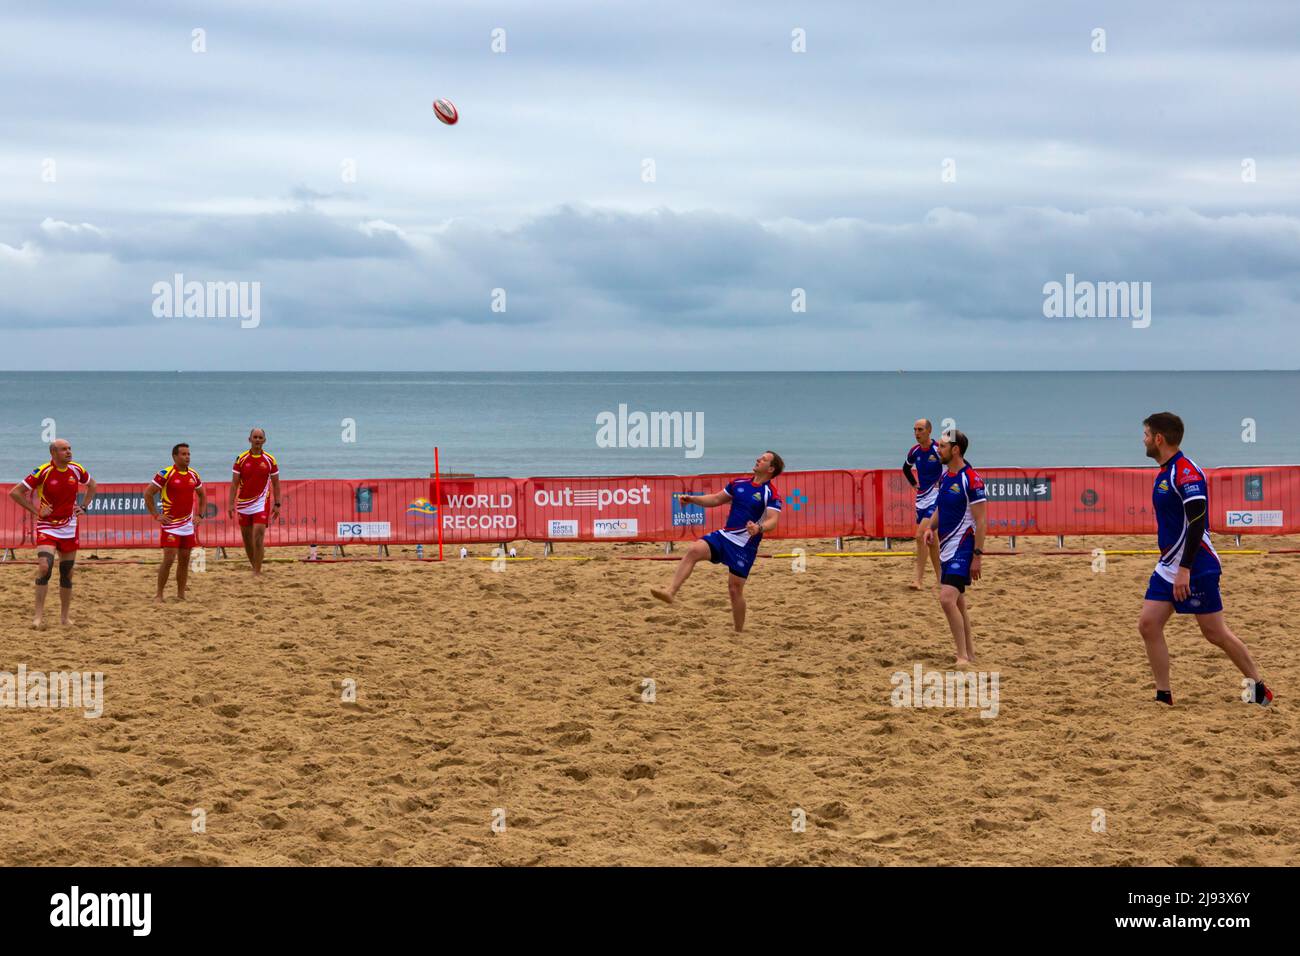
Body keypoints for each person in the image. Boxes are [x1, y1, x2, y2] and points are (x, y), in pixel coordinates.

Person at [1137, 412, 1272, 706]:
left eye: (1146, 434)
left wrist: (1184, 569)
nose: (1143, 440)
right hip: (1169, 565)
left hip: (1195, 564)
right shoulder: (1166, 470)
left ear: (1159, 439)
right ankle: (1163, 695)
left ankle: (1259, 686)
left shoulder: (1185, 471)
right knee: (1148, 624)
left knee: (1214, 633)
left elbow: (1197, 520)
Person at [651, 451, 784, 632]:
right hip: (725, 536)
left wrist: (759, 528)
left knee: (734, 589)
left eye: (763, 459)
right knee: (694, 550)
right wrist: (692, 499)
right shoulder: (739, 483)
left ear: (771, 468)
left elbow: (773, 520)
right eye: (759, 457)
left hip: (744, 546)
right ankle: (670, 592)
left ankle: (738, 632)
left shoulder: (771, 493)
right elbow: (715, 499)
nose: (757, 459)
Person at [9, 439, 96, 627]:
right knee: (44, 567)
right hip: (47, 526)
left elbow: (92, 485)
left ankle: (65, 617)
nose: (69, 452)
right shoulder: (43, 471)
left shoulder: (76, 469)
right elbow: (15, 492)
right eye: (64, 449)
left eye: (70, 449)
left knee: (67, 572)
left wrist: (84, 506)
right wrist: (36, 511)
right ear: (53, 453)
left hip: (69, 527)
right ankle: (38, 616)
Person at [924, 430, 985, 664]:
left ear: (955, 449)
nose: (938, 449)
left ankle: (961, 657)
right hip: (946, 548)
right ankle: (969, 653)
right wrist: (930, 527)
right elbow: (941, 508)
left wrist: (977, 556)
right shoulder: (945, 477)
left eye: (942, 446)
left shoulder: (971, 478)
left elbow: (981, 521)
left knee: (947, 599)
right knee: (959, 603)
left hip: (964, 547)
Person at [145, 443, 206, 602]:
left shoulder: (193, 474)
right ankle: (159, 594)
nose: (187, 457)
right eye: (183, 454)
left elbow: (202, 495)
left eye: (188, 454)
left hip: (187, 526)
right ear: (175, 456)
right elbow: (148, 493)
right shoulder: (165, 473)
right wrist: (156, 515)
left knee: (185, 560)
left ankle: (181, 595)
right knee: (169, 559)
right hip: (171, 525)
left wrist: (200, 515)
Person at [228, 428, 280, 575]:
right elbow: (234, 484)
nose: (257, 440)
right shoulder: (241, 458)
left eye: (260, 437)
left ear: (264, 440)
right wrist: (231, 504)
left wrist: (277, 504)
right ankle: (254, 565)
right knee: (247, 539)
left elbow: (276, 484)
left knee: (258, 535)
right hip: (244, 504)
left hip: (261, 503)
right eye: (255, 437)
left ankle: (257, 571)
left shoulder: (270, 460)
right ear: (249, 439)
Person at [903, 418, 943, 589]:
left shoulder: (938, 449)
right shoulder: (915, 451)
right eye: (915, 430)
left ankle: (918, 580)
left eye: (920, 429)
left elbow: (955, 465)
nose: (916, 433)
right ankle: (942, 579)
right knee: (932, 540)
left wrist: (944, 483)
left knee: (921, 535)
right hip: (921, 498)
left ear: (929, 431)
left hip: (936, 497)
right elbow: (905, 468)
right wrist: (914, 484)